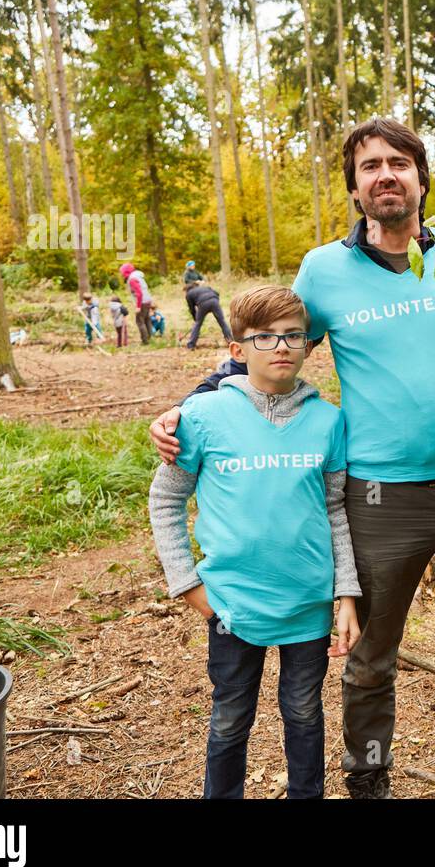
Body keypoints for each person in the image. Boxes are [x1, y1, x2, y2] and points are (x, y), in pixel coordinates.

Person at [149, 117, 435, 799]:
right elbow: (277, 340)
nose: (385, 174)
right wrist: (195, 400)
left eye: (399, 162)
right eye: (369, 166)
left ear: (421, 177)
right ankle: (367, 777)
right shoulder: (324, 271)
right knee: (368, 658)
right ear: (354, 188)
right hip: (381, 496)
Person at [148, 285, 360, 798]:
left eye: (293, 336)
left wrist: (346, 592)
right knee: (229, 717)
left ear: (310, 345)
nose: (281, 346)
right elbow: (165, 501)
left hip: (307, 602)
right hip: (231, 604)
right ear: (237, 350)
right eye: (264, 337)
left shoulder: (329, 422)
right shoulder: (201, 418)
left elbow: (335, 509)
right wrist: (187, 583)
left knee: (305, 713)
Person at [185, 280, 233, 350]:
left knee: (197, 324)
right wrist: (214, 303)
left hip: (202, 304)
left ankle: (191, 345)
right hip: (214, 301)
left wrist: (196, 319)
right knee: (222, 322)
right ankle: (230, 341)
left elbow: (192, 309)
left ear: (187, 289)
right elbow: (217, 293)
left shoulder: (189, 294)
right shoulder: (205, 288)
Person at [120, 262, 153, 345]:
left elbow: (139, 293)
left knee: (139, 321)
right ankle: (149, 337)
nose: (122, 274)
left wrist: (138, 306)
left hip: (142, 302)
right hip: (147, 300)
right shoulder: (138, 276)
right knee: (146, 319)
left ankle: (145, 341)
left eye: (122, 272)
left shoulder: (132, 279)